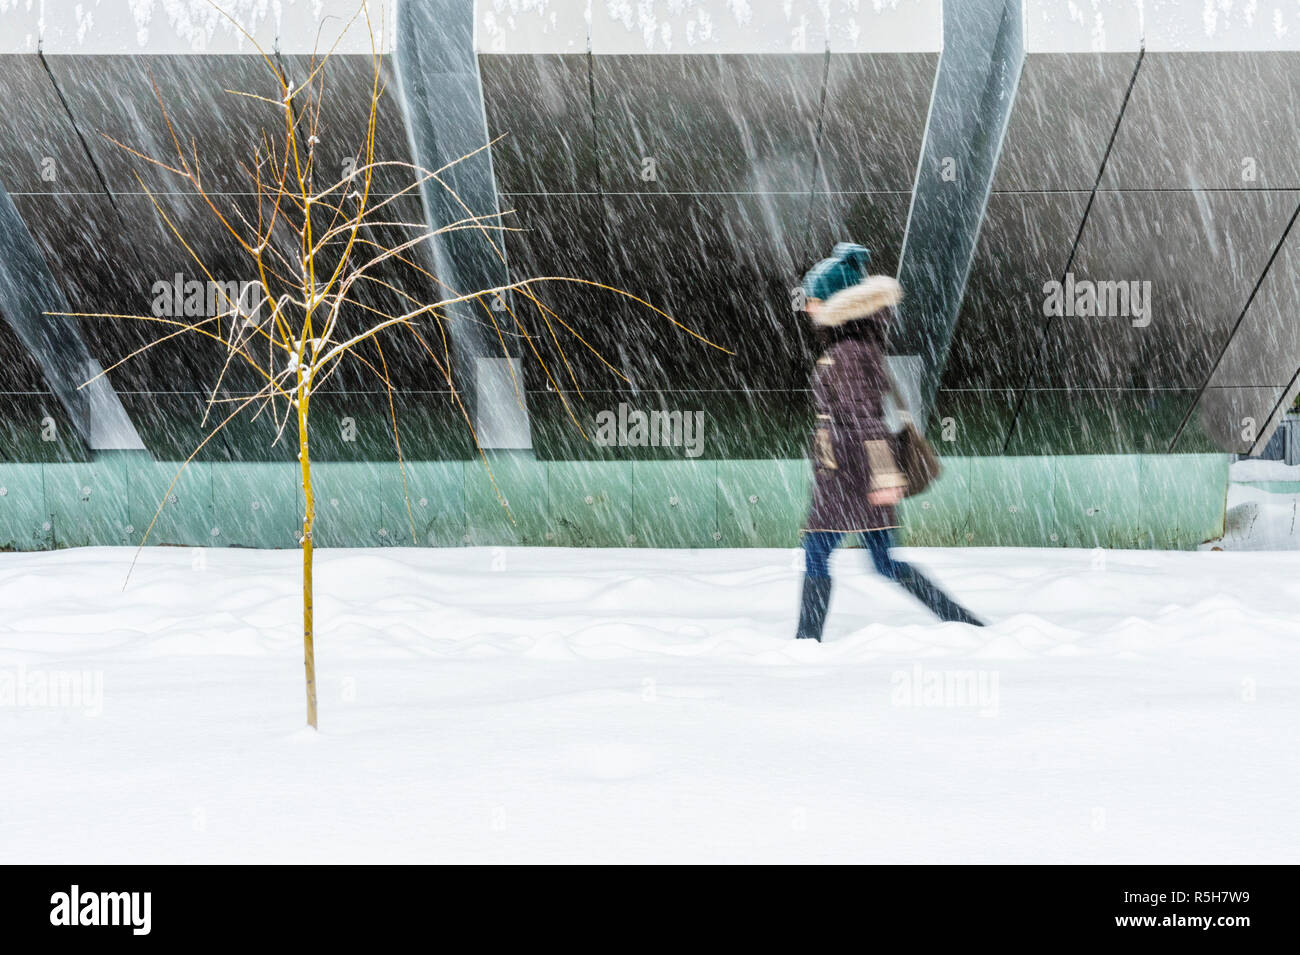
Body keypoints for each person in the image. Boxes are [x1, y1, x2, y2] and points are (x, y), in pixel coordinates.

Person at [796, 243, 984, 640]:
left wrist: (883, 476)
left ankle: (806, 642)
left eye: (813, 299)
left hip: (851, 475)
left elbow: (866, 420)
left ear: (837, 304)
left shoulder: (848, 353)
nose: (807, 307)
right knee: (882, 563)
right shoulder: (854, 348)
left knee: (818, 554)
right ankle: (963, 623)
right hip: (847, 471)